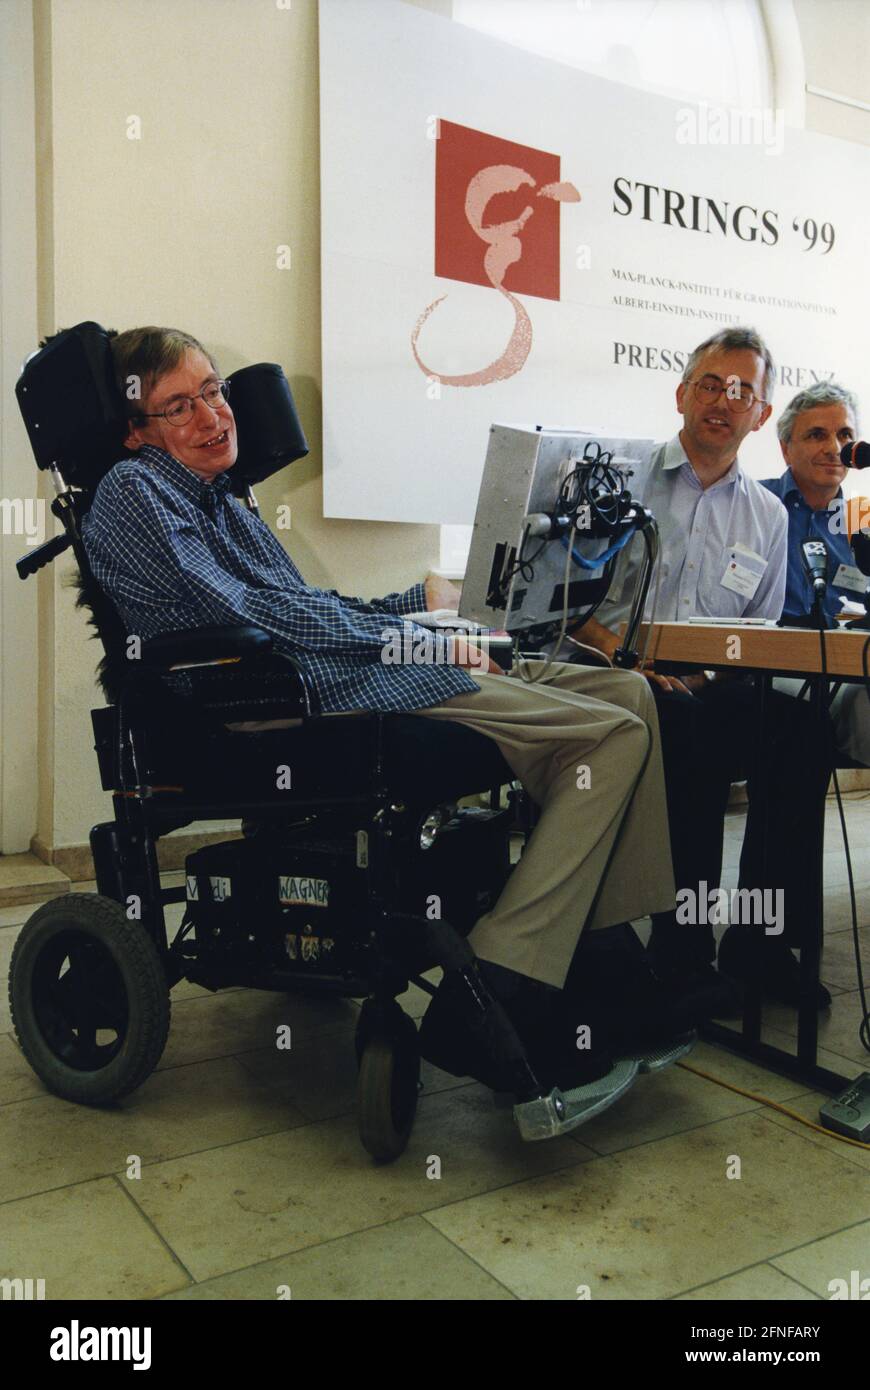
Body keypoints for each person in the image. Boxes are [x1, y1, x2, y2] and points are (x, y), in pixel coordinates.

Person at [81, 325, 690, 1100]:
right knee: (610, 735)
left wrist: (422, 603)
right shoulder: (135, 494)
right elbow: (257, 620)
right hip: (276, 698)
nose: (212, 416)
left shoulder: (219, 498)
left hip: (319, 669)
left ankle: (600, 949)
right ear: (137, 433)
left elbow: (304, 607)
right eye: (179, 406)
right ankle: (506, 981)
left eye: (212, 390)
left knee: (625, 691)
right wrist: (418, 643)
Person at [563, 326, 835, 1010]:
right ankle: (680, 949)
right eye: (711, 384)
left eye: (743, 390)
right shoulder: (617, 481)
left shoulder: (768, 516)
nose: (724, 400)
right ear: (682, 393)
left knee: (803, 732)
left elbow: (758, 635)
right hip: (611, 671)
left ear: (762, 414)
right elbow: (564, 603)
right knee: (687, 731)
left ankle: (760, 942)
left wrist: (701, 678)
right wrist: (633, 663)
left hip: (706, 681)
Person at [760, 382, 870, 766]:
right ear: (786, 447)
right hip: (766, 664)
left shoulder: (863, 518)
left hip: (846, 663)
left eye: (844, 435)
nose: (833, 448)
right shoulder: (754, 503)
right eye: (817, 435)